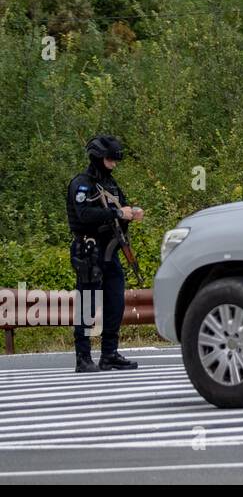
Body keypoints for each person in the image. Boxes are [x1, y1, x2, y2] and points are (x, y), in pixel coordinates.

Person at [66, 135, 142, 373]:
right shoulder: (82, 183)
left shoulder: (111, 184)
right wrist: (117, 215)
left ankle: (109, 354)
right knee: (88, 304)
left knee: (116, 302)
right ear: (98, 157)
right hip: (89, 251)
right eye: (110, 159)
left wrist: (131, 213)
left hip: (111, 252)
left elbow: (122, 208)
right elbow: (84, 215)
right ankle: (83, 357)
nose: (113, 163)